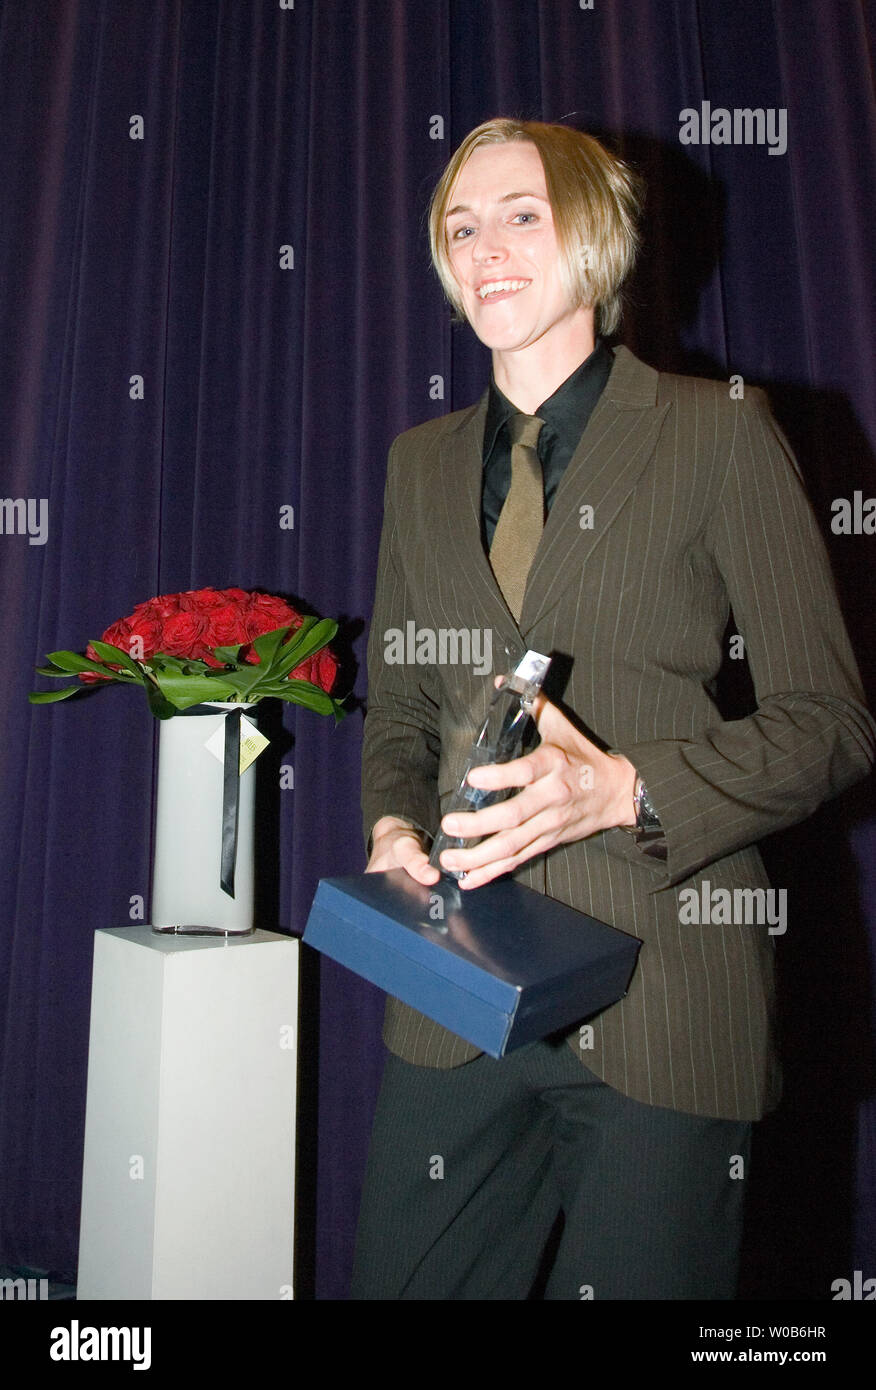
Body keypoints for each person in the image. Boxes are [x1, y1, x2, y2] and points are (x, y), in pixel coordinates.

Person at [352, 118, 875, 1300]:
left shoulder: (719, 433)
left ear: (595, 235)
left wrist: (620, 787)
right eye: (462, 224)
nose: (485, 246)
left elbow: (833, 720)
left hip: (666, 1003)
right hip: (456, 998)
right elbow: (399, 712)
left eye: (522, 215)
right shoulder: (416, 464)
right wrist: (390, 829)